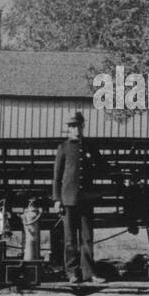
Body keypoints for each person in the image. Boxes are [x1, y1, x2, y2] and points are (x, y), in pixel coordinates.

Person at [52, 111, 112, 285]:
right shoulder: (63, 148)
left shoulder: (90, 147)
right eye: (71, 126)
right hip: (68, 200)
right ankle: (72, 273)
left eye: (77, 125)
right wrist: (57, 200)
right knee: (70, 239)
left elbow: (103, 167)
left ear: (83, 126)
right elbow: (57, 177)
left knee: (86, 238)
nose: (75, 129)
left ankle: (89, 273)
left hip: (86, 199)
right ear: (68, 129)